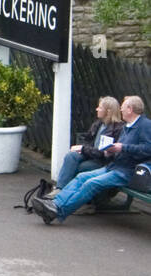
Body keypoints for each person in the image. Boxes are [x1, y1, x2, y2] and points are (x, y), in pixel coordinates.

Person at [32, 96, 151, 224]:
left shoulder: (145, 125)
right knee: (82, 177)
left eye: (123, 107)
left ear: (130, 109)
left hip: (127, 172)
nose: (121, 109)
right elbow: (121, 149)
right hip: (114, 166)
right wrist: (110, 151)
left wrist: (123, 147)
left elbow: (148, 148)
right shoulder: (128, 126)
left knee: (91, 183)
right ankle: (54, 203)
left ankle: (59, 211)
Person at [53, 96, 124, 192]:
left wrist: (82, 149)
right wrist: (81, 149)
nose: (97, 109)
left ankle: (69, 193)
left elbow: (103, 153)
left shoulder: (117, 129)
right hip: (91, 154)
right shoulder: (98, 124)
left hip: (103, 161)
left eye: (100, 107)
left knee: (81, 167)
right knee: (71, 156)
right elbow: (88, 139)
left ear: (108, 111)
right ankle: (59, 189)